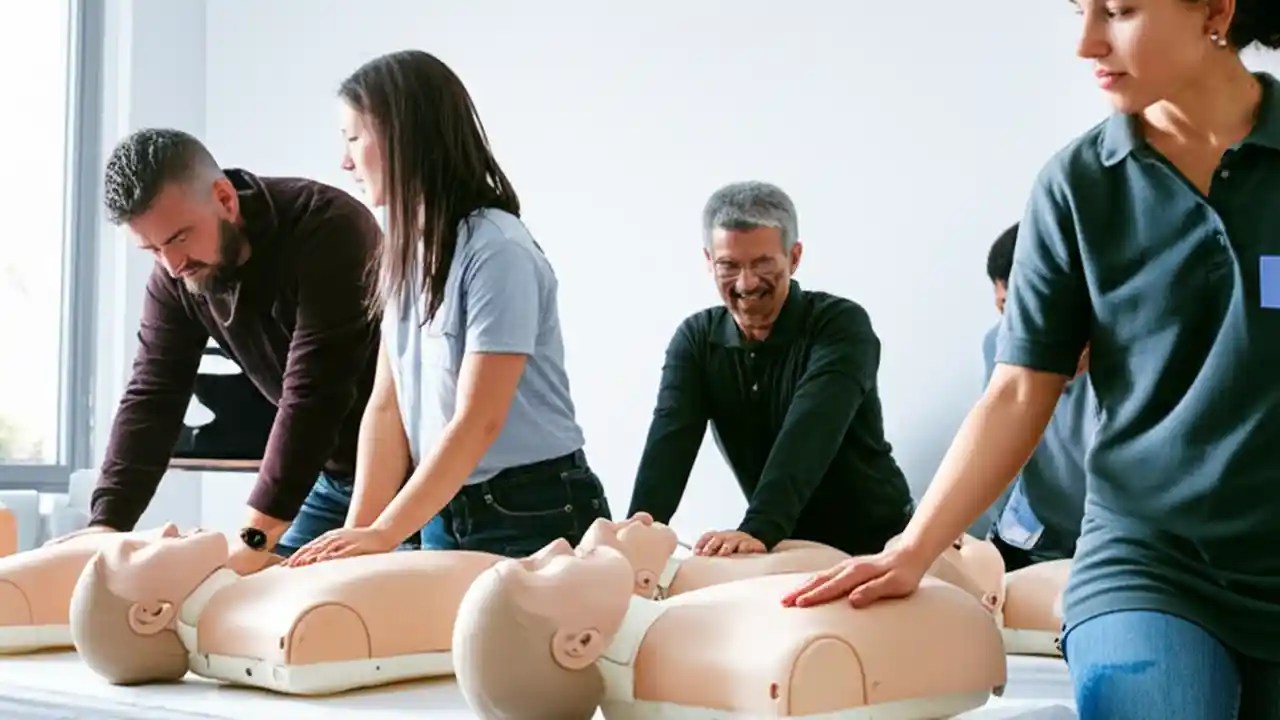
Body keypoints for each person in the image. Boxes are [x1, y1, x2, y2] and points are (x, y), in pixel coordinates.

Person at [783, 2, 1280, 717]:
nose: (1086, 43)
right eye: (1081, 10)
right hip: (1150, 563)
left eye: (1119, 9)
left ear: (1215, 9)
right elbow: (1019, 391)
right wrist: (913, 548)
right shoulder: (1078, 185)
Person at [285, 50, 610, 565]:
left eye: (353, 138)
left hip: (530, 506)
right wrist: (356, 536)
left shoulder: (497, 249)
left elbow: (479, 419)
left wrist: (387, 530)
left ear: (404, 135)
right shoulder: (406, 250)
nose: (344, 161)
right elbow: (386, 407)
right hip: (440, 502)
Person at [48, 128, 384, 570]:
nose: (172, 264)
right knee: (249, 598)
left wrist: (250, 540)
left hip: (418, 479)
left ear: (225, 199)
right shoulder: (176, 275)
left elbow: (313, 398)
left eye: (179, 238)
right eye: (152, 249)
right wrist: (107, 524)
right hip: (331, 479)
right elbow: (153, 394)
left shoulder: (328, 229)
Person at [628, 181, 914, 558]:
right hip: (784, 546)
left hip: (877, 543)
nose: (745, 283)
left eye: (762, 264)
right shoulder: (696, 339)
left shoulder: (841, 325)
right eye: (728, 266)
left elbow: (812, 427)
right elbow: (671, 439)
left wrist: (759, 527)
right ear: (708, 261)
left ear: (794, 258)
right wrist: (637, 535)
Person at [971, 223, 1093, 570]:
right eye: (1005, 307)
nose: (1019, 325)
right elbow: (994, 443)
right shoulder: (1000, 344)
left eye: (1028, 307)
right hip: (1033, 538)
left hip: (1117, 545)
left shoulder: (1142, 351)